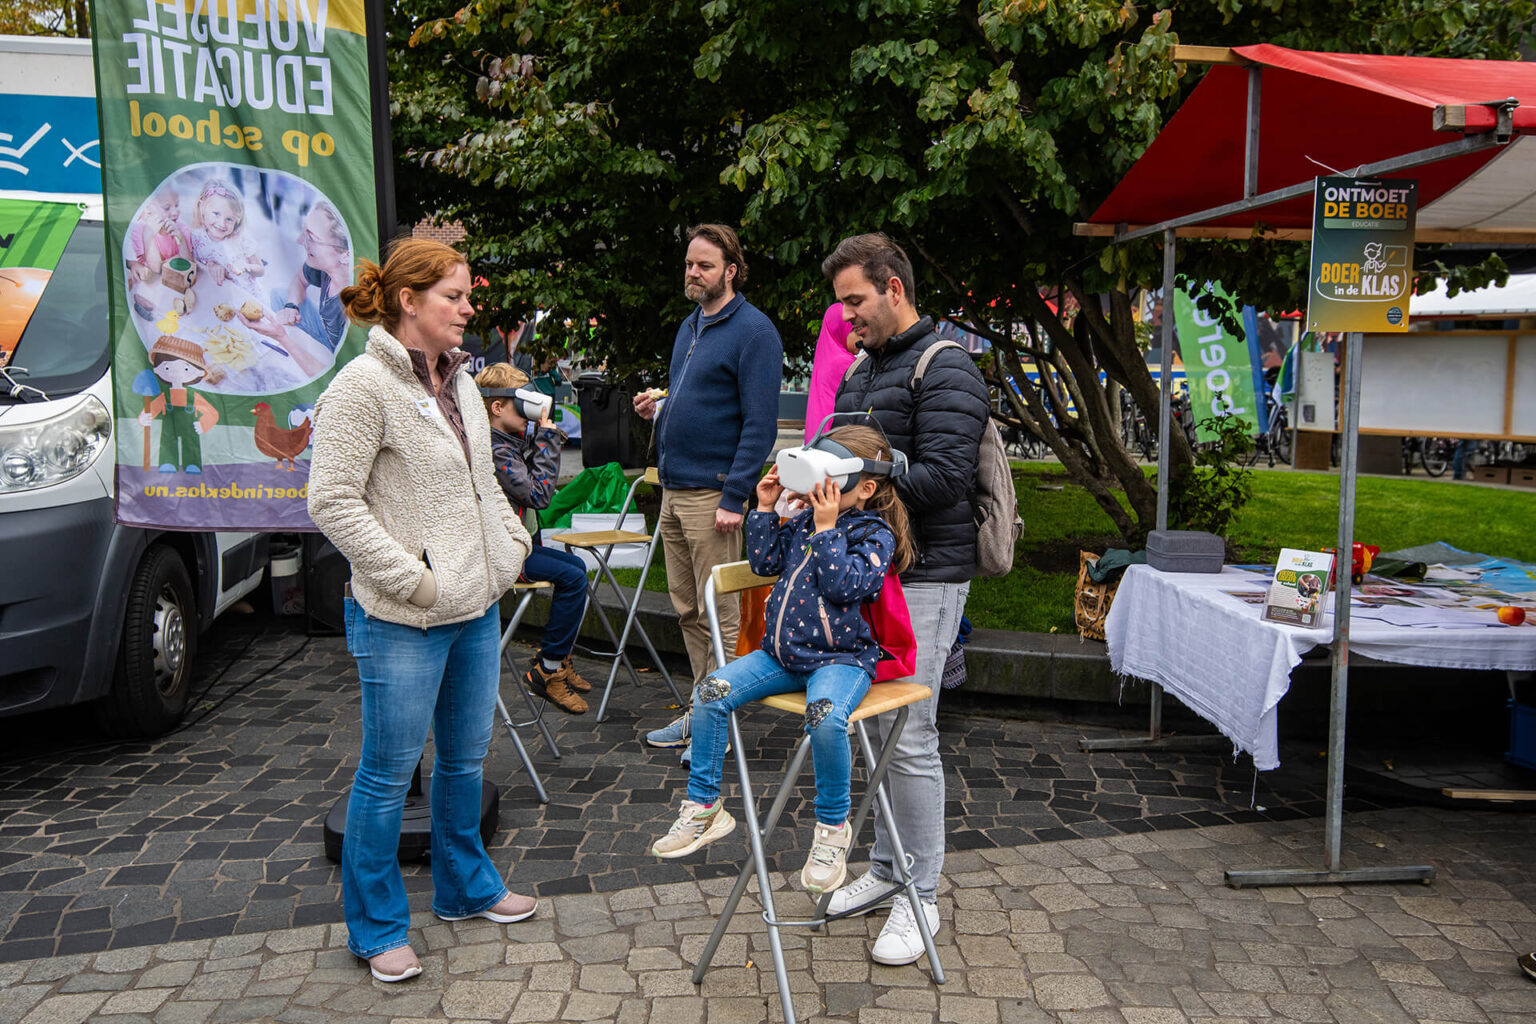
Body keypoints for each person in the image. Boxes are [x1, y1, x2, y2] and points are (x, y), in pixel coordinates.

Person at [307, 238, 536, 984]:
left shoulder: (462, 382)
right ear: (410, 301)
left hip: (475, 605)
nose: (469, 310)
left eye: (468, 296)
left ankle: (466, 888)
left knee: (465, 761)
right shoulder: (360, 386)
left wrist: (511, 545)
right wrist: (413, 580)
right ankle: (375, 929)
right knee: (386, 774)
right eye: (455, 297)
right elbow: (330, 502)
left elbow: (482, 482)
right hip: (405, 615)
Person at [821, 232, 989, 966]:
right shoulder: (861, 368)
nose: (847, 317)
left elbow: (947, 477)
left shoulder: (946, 367)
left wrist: (862, 486)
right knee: (876, 729)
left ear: (894, 288)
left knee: (910, 732)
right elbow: (847, 455)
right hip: (872, 572)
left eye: (856, 300)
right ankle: (887, 871)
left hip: (927, 575)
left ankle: (921, 891)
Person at [651, 425, 912, 896]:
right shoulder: (805, 521)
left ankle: (832, 830)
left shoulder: (875, 535)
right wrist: (766, 508)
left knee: (825, 719)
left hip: (840, 662)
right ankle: (705, 806)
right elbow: (765, 562)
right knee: (709, 693)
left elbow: (845, 586)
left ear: (865, 487)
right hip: (782, 657)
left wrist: (829, 529)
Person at [634, 224, 783, 762]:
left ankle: (717, 729)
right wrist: (662, 404)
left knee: (719, 616)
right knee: (688, 612)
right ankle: (702, 710)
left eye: (704, 265)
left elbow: (759, 423)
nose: (693, 273)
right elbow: (698, 396)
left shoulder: (755, 332)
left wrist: (735, 495)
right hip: (674, 491)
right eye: (689, 264)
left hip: (713, 496)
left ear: (731, 271)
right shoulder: (690, 326)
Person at [475, 361, 592, 715]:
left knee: (573, 568)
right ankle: (549, 669)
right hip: (501, 553)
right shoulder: (495, 451)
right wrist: (545, 435)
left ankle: (559, 655)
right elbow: (539, 495)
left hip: (518, 540)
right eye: (522, 404)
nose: (532, 412)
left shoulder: (503, 439)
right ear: (497, 407)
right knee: (574, 575)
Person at [804, 303, 855, 443]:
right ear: (841, 330)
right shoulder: (845, 361)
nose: (861, 337)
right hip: (834, 437)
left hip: (815, 433)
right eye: (855, 331)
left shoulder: (824, 356)